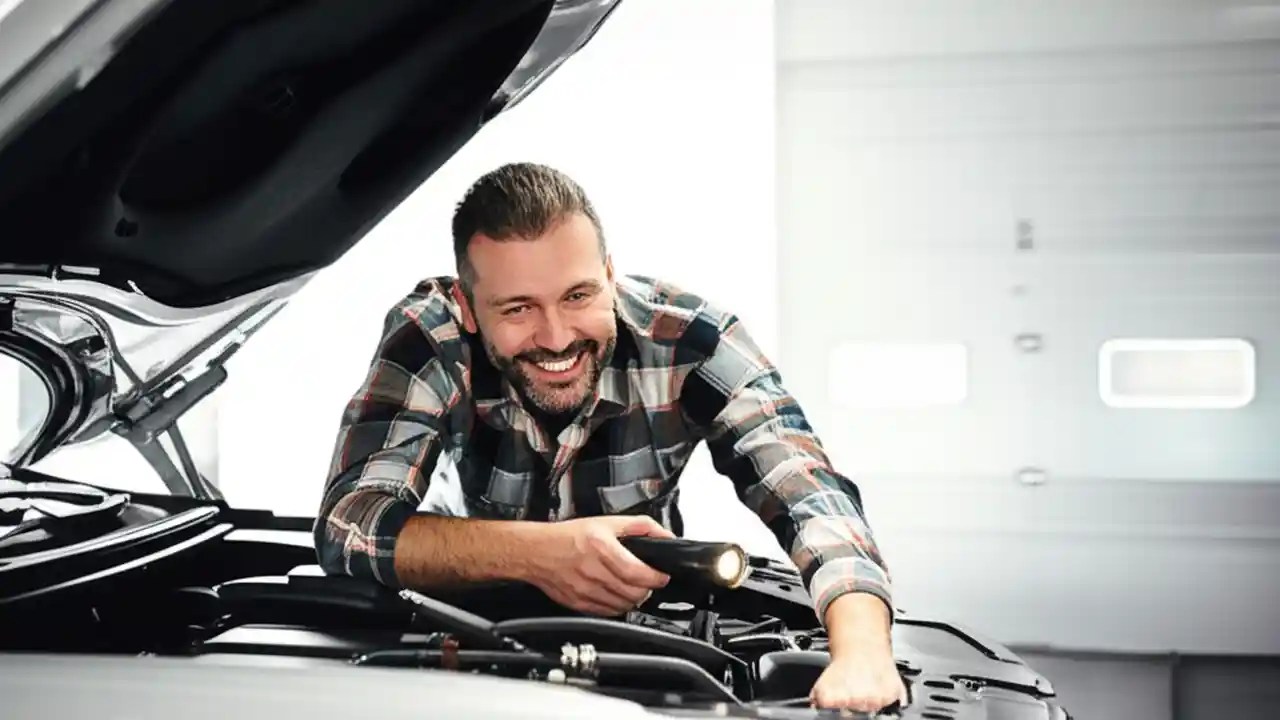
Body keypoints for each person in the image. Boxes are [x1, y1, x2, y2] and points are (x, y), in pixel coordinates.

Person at [314, 162, 906, 712]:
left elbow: (806, 489)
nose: (556, 337)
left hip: (638, 636)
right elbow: (351, 523)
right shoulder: (432, 338)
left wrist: (861, 648)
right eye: (518, 308)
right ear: (468, 307)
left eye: (578, 296)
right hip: (463, 630)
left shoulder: (691, 341)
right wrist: (539, 554)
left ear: (610, 275)